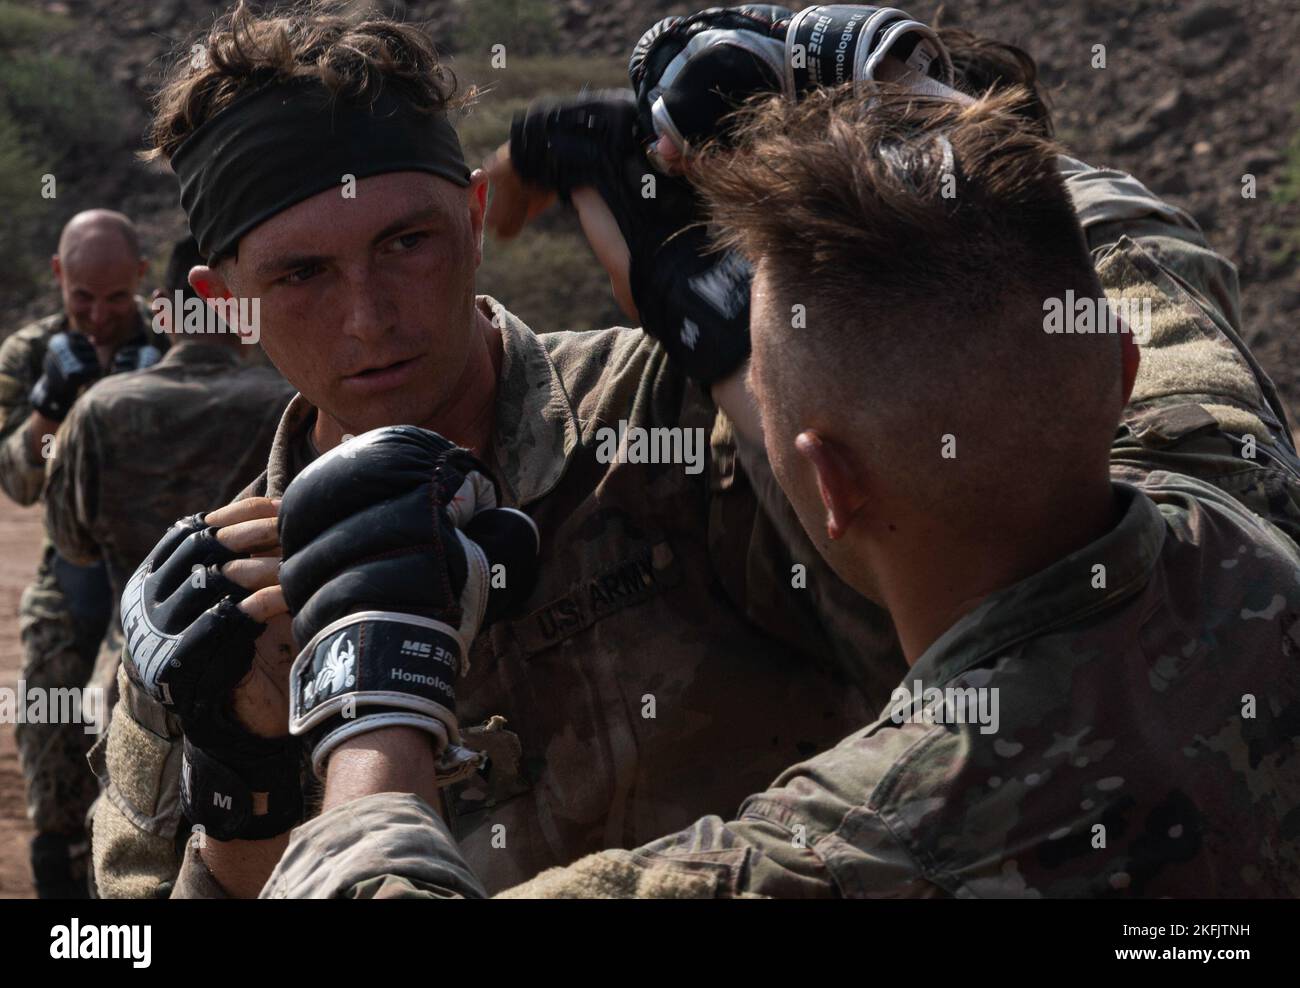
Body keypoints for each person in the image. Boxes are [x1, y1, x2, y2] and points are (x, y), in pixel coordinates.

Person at [257, 76, 1300, 898]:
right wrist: (901, 93)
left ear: (826, 482)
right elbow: (1137, 250)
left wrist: (369, 721)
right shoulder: (1241, 516)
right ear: (1114, 375)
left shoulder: (869, 841)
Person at [94, 0, 908, 900]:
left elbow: (957, 648)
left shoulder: (678, 416)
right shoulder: (209, 607)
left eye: (407, 243)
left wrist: (754, 349)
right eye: (302, 275)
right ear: (223, 303)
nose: (370, 319)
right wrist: (243, 765)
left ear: (476, 218)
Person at [42, 235, 293, 787]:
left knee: (126, 855)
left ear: (163, 307)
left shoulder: (98, 409)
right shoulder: (292, 406)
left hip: (133, 677)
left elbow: (71, 543)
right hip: (265, 690)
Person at [0, 209, 161, 897]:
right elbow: (14, 480)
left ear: (143, 280)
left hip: (153, 576)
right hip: (69, 575)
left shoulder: (174, 344)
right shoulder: (29, 354)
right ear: (60, 277)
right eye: (83, 298)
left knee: (154, 745)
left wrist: (163, 390)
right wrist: (49, 405)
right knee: (51, 723)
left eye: (117, 298)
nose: (99, 315)